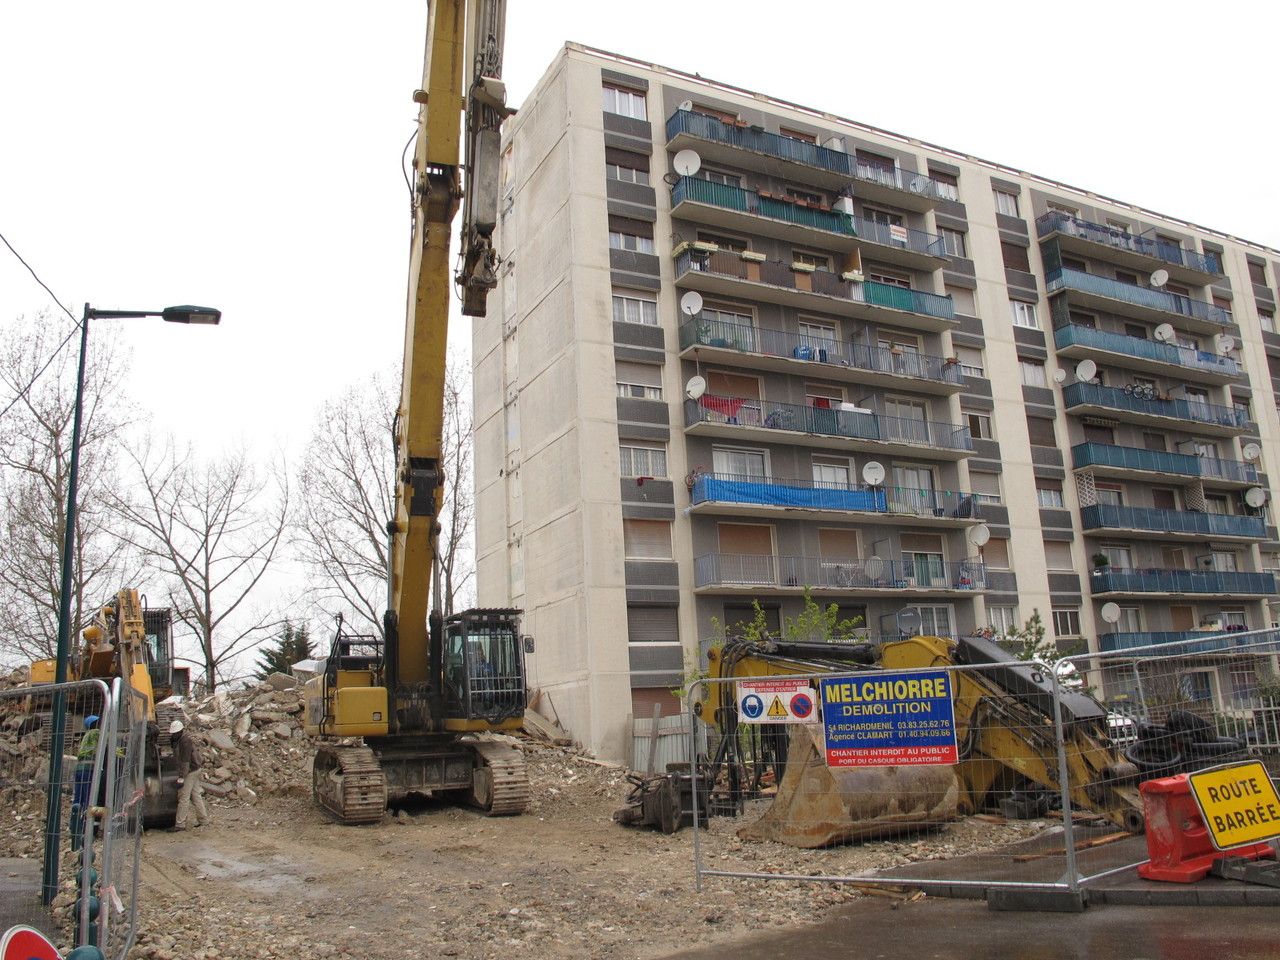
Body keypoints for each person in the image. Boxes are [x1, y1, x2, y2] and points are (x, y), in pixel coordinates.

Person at [169, 720, 209, 831]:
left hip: (191, 770)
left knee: (184, 796)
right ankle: (203, 820)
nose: (173, 735)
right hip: (195, 769)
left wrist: (181, 778)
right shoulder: (179, 739)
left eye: (175, 733)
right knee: (196, 795)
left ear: (180, 731)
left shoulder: (185, 741)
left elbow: (185, 762)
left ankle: (180, 824)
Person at [70, 714, 100, 849]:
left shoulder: (86, 736)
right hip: (88, 770)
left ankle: (75, 827)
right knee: (90, 799)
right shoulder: (96, 733)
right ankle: (90, 828)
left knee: (79, 799)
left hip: (79, 770)